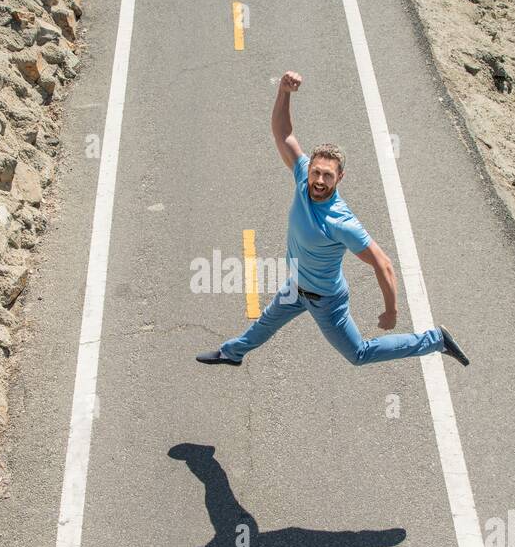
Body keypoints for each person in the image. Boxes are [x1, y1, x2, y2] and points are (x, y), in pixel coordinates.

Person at [196, 70, 470, 369]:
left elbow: (383, 263)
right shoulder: (302, 177)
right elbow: (283, 133)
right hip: (296, 286)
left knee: (359, 354)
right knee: (266, 323)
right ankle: (232, 353)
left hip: (325, 300)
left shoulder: (341, 222)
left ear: (340, 177)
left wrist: (390, 311)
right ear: (309, 169)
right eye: (316, 172)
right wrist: (284, 92)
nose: (319, 180)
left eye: (328, 175)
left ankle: (435, 341)